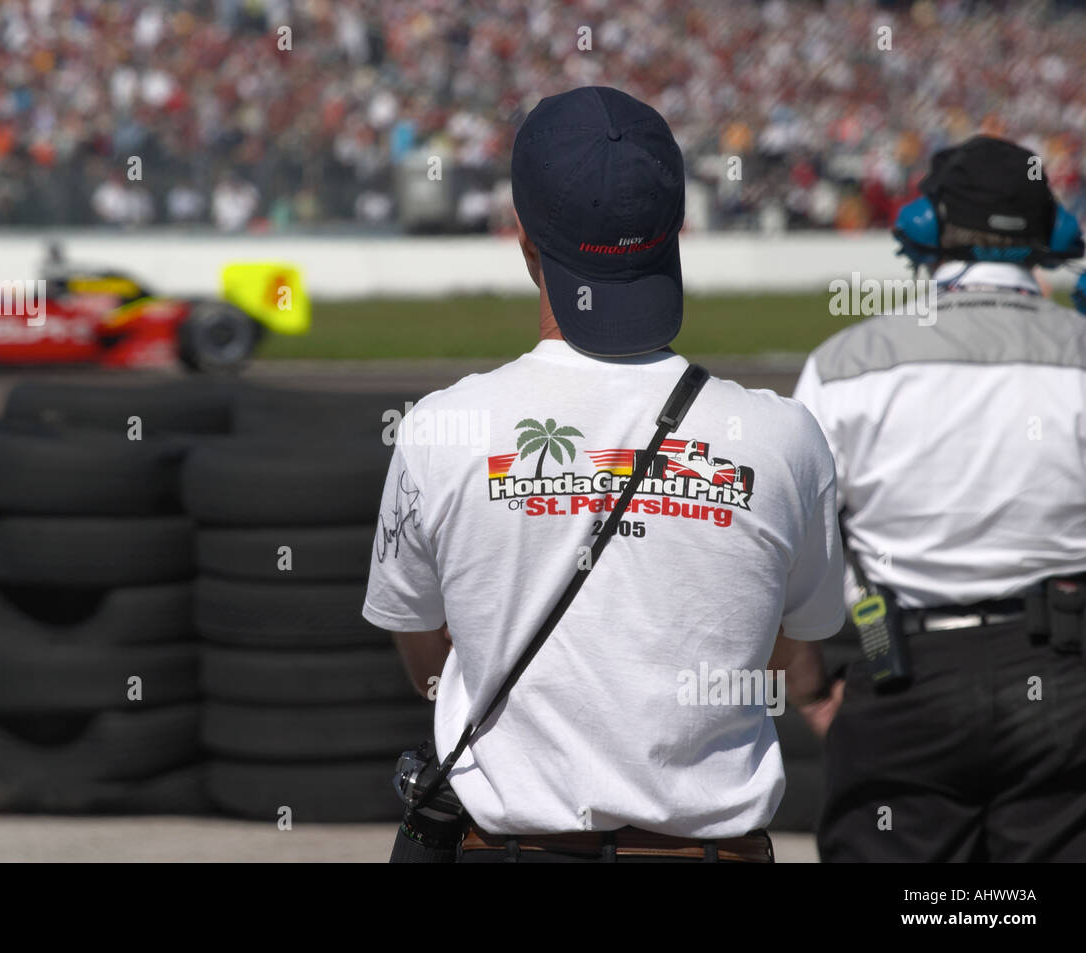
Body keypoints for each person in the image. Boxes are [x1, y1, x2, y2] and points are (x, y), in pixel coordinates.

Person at [362, 86, 846, 863]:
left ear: (525, 242)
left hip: (510, 845)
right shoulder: (786, 436)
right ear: (674, 229)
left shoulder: (438, 430)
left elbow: (423, 644)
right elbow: (795, 647)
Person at [793, 134, 1086, 862]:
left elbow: (792, 552)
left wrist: (812, 691)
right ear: (1052, 233)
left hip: (900, 676)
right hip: (1066, 683)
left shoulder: (845, 365)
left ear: (925, 223)